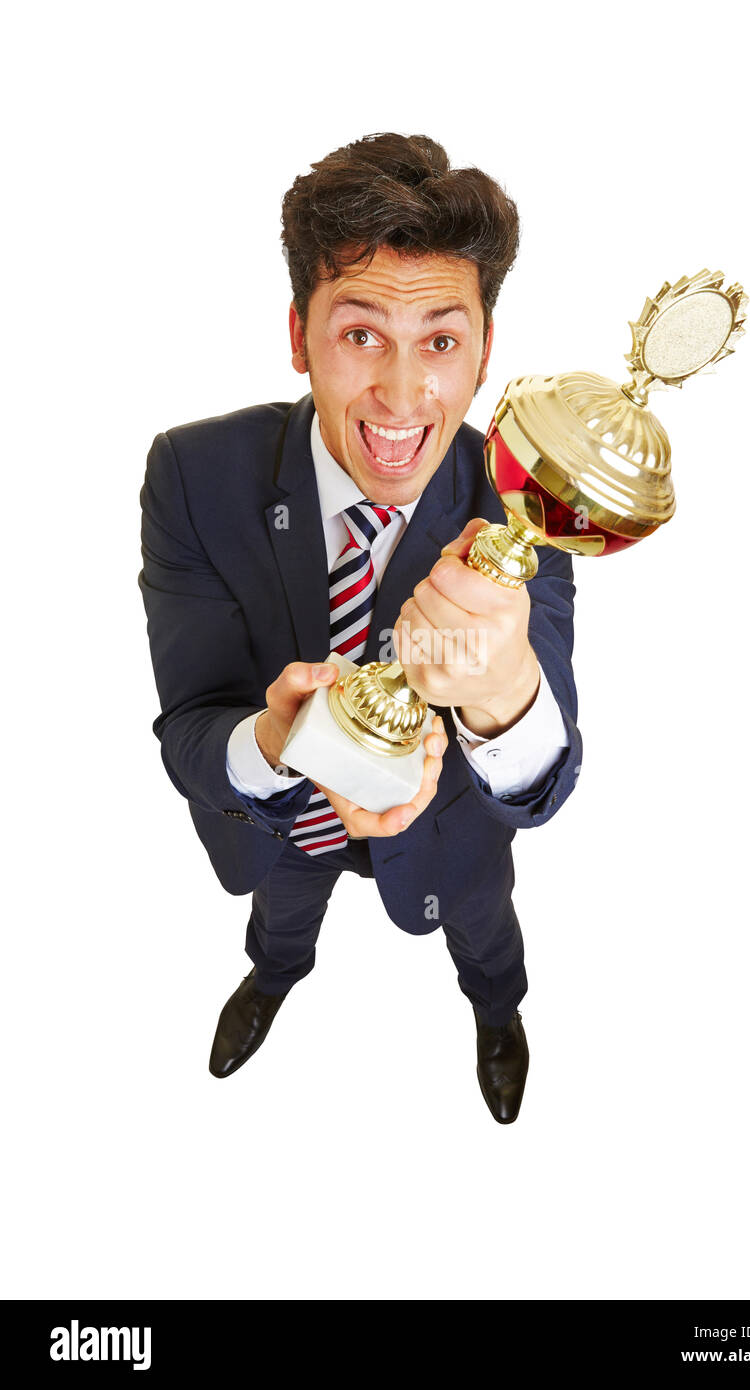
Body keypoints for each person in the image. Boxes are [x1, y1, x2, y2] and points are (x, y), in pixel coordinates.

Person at [139, 132, 582, 1124]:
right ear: (298, 336)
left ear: (481, 351)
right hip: (285, 818)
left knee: (485, 935)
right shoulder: (194, 476)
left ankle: (497, 1016)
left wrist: (501, 687)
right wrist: (268, 741)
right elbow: (190, 728)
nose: (399, 394)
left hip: (450, 832)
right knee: (279, 923)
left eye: (437, 338)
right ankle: (271, 979)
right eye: (359, 334)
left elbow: (543, 778)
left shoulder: (520, 499)